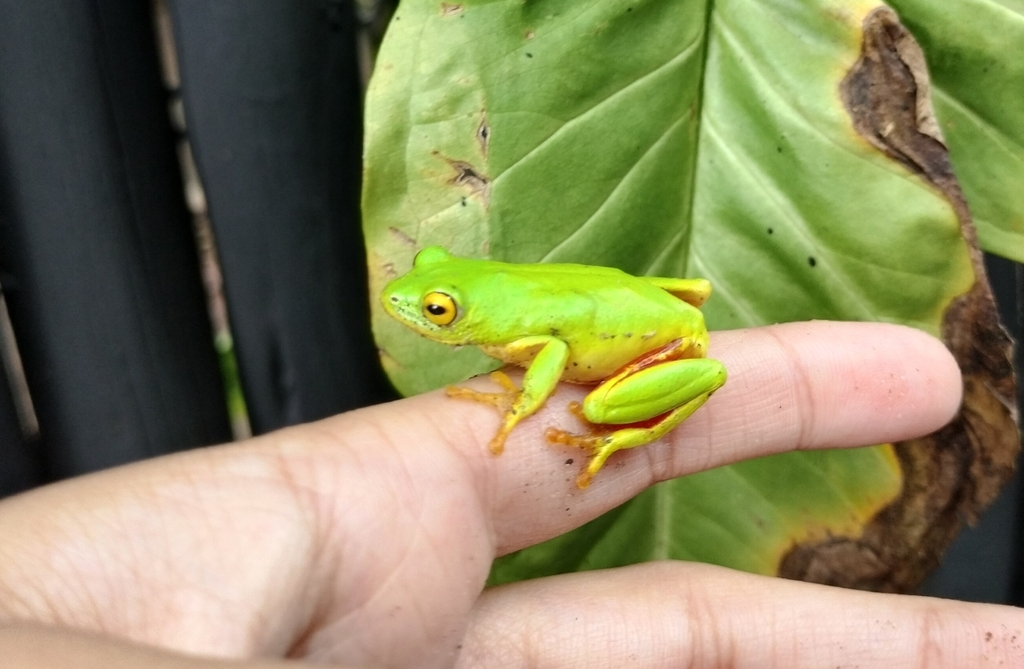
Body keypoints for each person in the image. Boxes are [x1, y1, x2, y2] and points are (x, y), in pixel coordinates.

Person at [0, 320, 1019, 667]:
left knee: (593, 396)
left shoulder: (520, 345)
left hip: (657, 352)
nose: (421, 315)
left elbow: (544, 363)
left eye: (438, 309)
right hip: (637, 316)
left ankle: (628, 420)